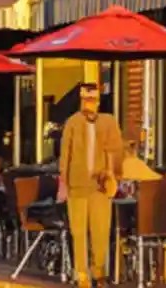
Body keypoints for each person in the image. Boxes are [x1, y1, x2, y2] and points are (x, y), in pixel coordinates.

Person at [58, 83, 123, 288]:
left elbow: (116, 150)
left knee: (101, 230)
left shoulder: (109, 122)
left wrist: (113, 175)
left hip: (100, 185)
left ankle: (99, 272)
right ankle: (81, 274)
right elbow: (64, 156)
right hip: (77, 184)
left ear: (98, 100)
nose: (90, 103)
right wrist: (63, 184)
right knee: (78, 231)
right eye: (86, 99)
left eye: (93, 99)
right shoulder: (72, 123)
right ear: (81, 99)